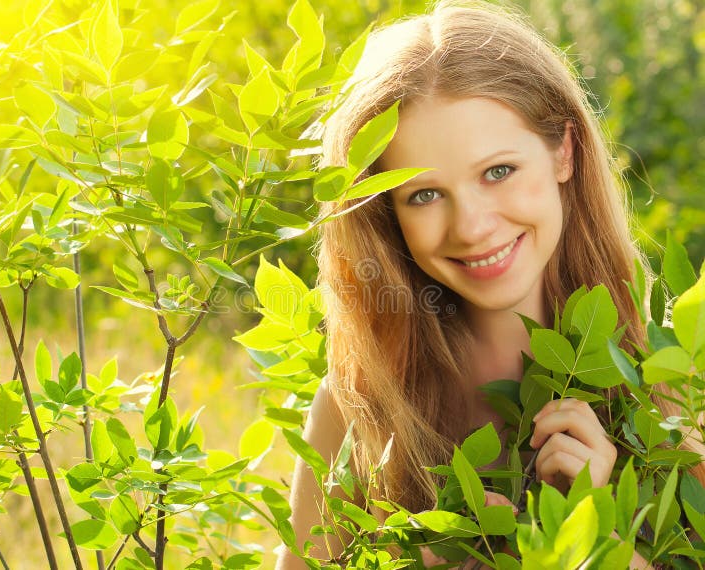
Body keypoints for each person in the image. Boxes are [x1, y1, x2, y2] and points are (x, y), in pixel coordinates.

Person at [275, 1, 705, 568]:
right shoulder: (362, 398)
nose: (472, 227)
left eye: (497, 172)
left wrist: (597, 543)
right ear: (386, 214)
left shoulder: (674, 384)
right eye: (423, 195)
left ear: (563, 152)